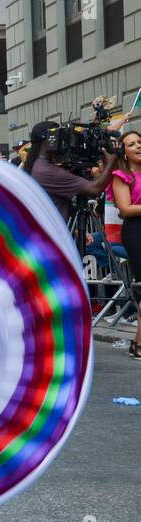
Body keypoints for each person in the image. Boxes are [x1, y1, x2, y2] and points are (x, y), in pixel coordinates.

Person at [24, 120, 119, 219]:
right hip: (55, 231)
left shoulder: (38, 165)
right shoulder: (47, 171)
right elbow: (95, 189)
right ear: (48, 139)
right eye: (61, 136)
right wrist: (111, 162)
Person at [110, 130, 141, 358]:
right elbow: (125, 209)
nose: (138, 146)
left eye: (140, 141)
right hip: (136, 230)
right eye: (132, 144)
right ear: (125, 152)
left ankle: (137, 343)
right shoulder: (122, 175)